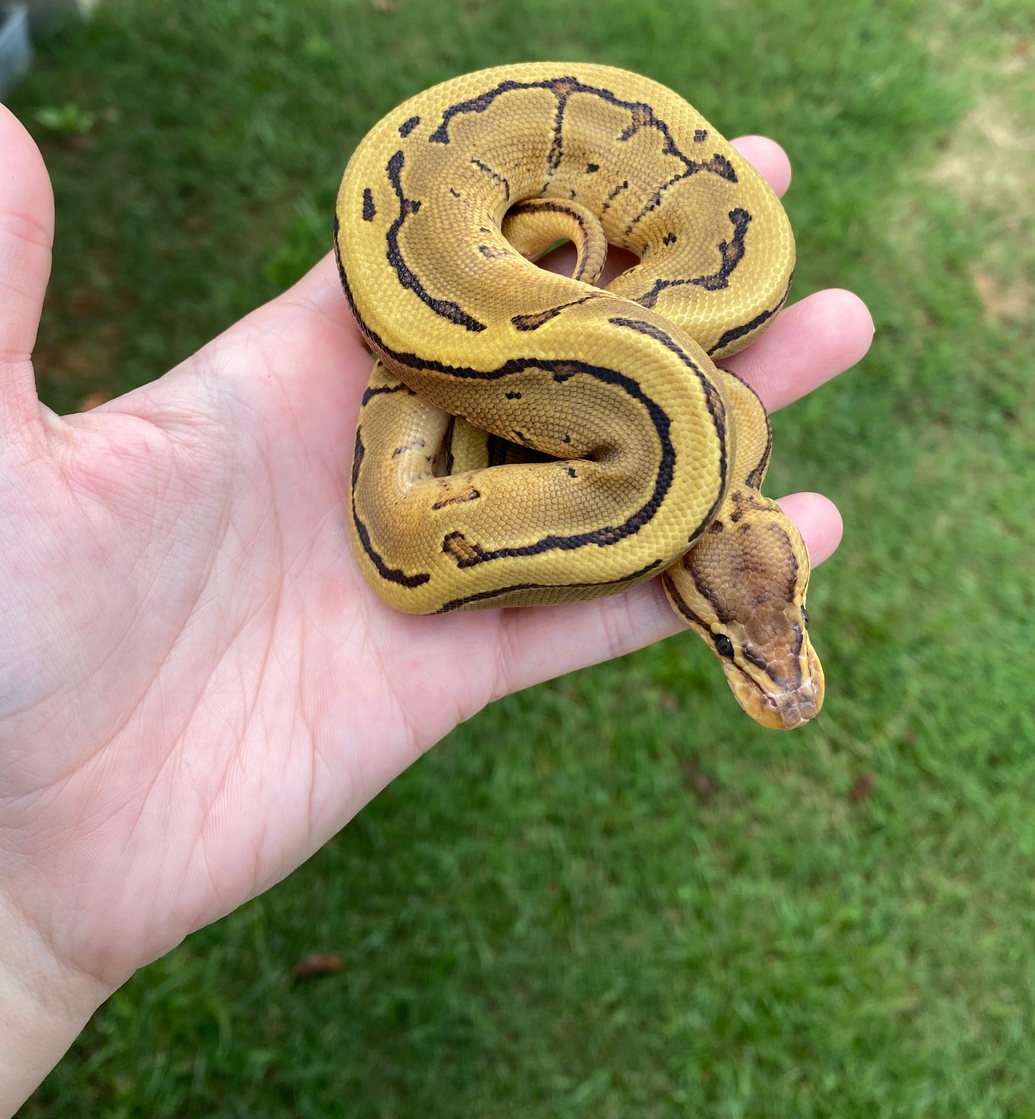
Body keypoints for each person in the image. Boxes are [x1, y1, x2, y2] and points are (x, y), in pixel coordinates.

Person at [0, 102, 873, 1111]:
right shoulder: (705, 435)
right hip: (518, 271)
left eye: (750, 646)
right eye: (738, 643)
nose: (769, 673)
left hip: (512, 335)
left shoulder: (704, 448)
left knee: (435, 520)